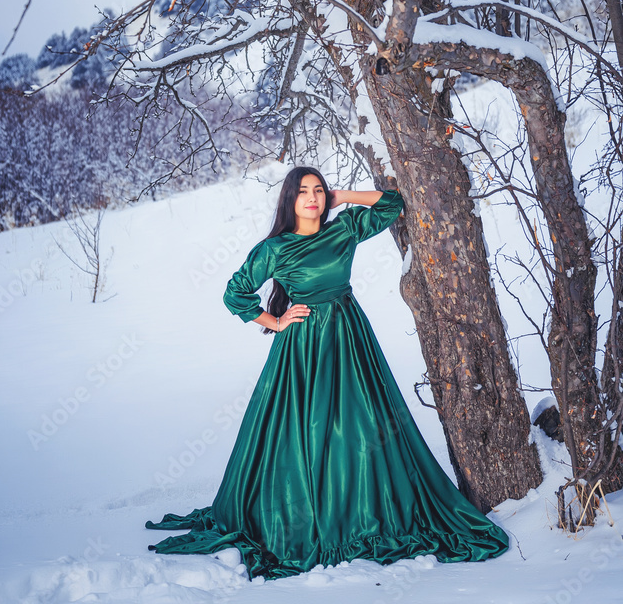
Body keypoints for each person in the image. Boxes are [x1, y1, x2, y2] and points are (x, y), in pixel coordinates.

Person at [146, 167, 509, 579]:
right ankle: (303, 510)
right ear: (289, 200)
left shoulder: (343, 230)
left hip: (351, 340)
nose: (313, 198)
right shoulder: (275, 248)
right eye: (304, 192)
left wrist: (344, 195)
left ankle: (364, 509)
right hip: (301, 351)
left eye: (318, 191)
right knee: (301, 432)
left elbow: (393, 204)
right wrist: (277, 321)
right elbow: (234, 292)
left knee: (364, 425)